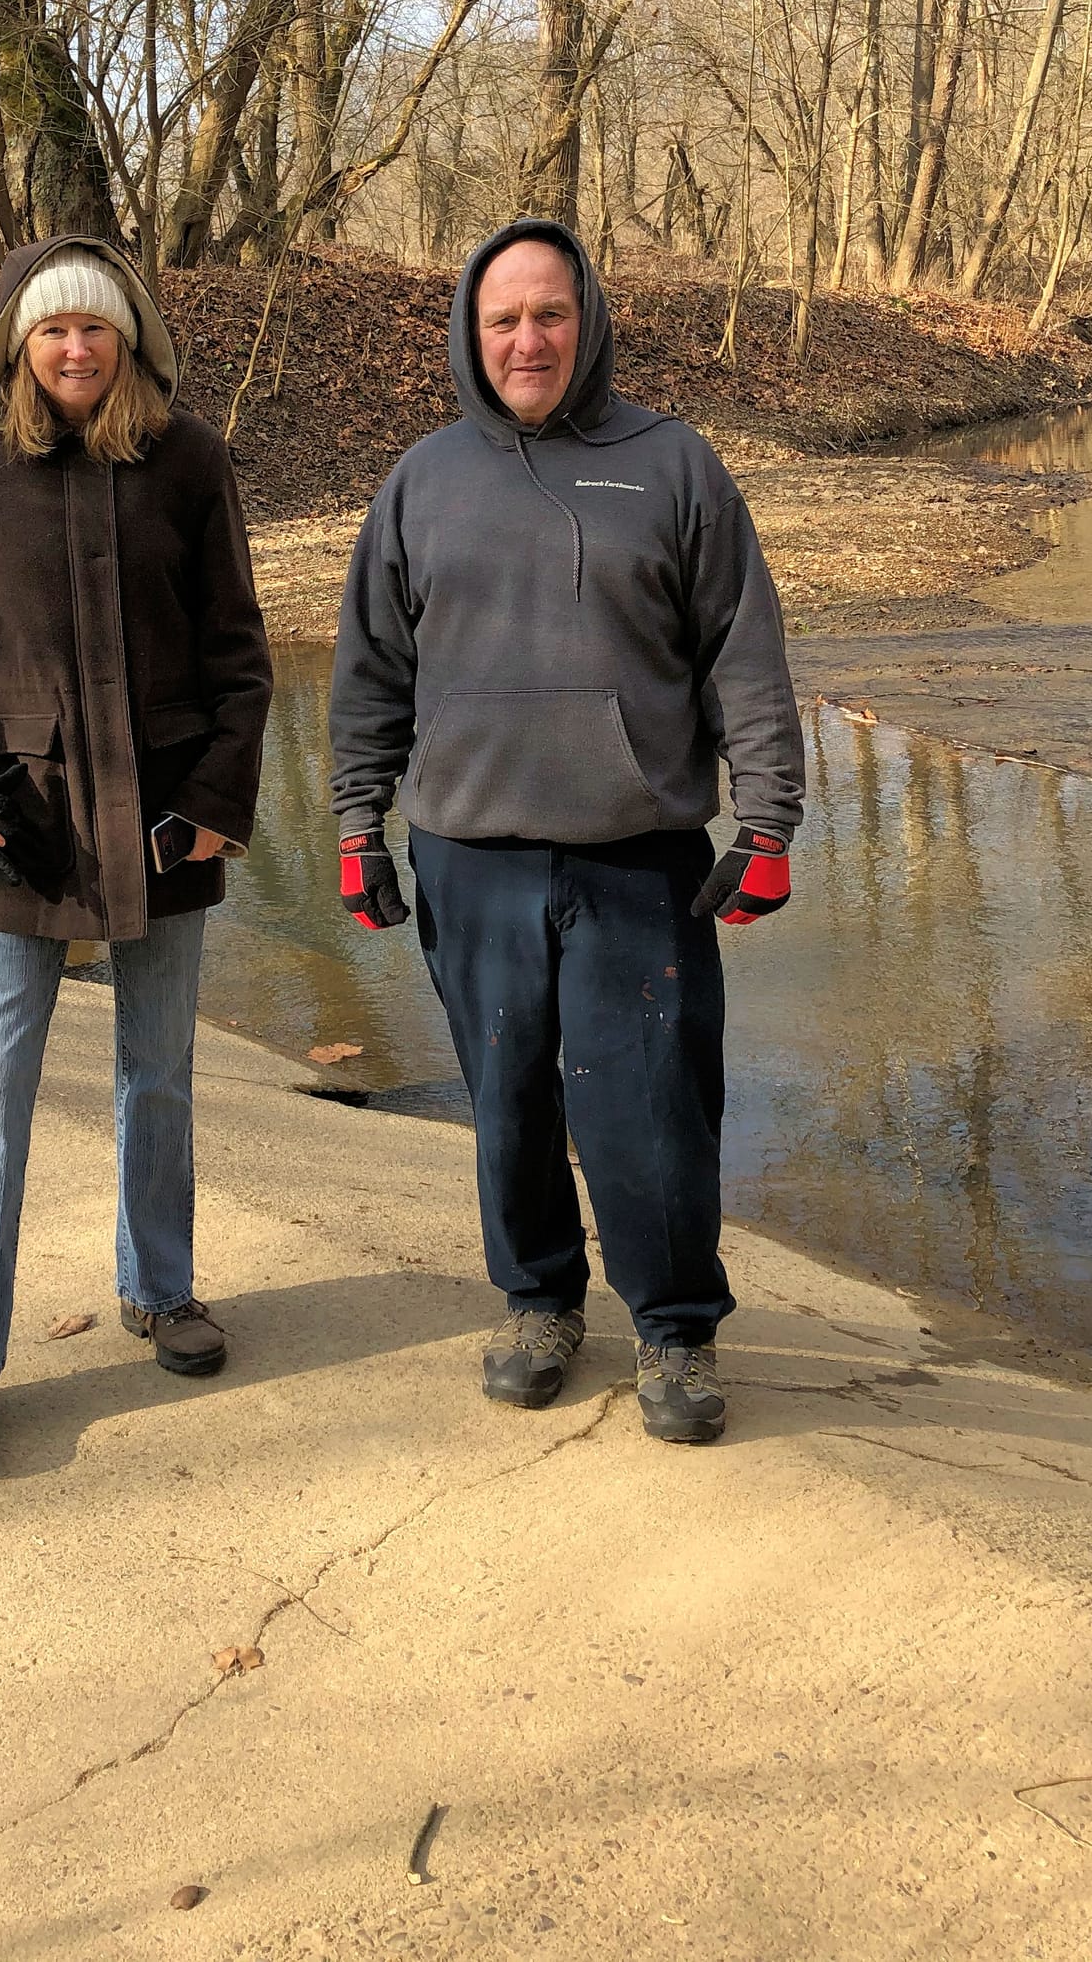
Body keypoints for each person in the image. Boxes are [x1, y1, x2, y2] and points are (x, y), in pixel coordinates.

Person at [328, 219, 804, 1444]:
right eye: (502, 319)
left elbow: (742, 658)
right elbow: (371, 669)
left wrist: (766, 823)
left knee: (649, 1105)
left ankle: (674, 1326)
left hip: (636, 859)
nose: (526, 340)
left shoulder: (673, 465)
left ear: (587, 321)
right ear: (468, 333)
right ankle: (537, 1302)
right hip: (468, 856)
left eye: (549, 314)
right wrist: (355, 823)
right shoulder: (421, 481)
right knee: (507, 1102)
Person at [0, 237, 272, 1471]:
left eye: (95, 325)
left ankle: (159, 1288)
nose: (74, 347)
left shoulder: (189, 460)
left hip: (167, 818)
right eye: (51, 328)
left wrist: (218, 797)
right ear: (17, 346)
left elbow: (239, 651)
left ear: (128, 338)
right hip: (22, 826)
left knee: (159, 1070)